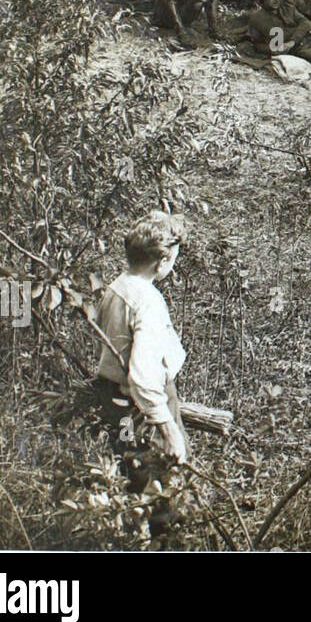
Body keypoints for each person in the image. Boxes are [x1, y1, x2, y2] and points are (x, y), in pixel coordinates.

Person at [92, 210, 190, 538]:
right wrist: (169, 429)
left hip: (114, 399)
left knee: (132, 471)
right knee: (164, 479)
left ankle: (136, 536)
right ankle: (165, 542)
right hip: (142, 405)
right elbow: (144, 376)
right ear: (161, 262)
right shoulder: (147, 300)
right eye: (173, 259)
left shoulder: (117, 287)